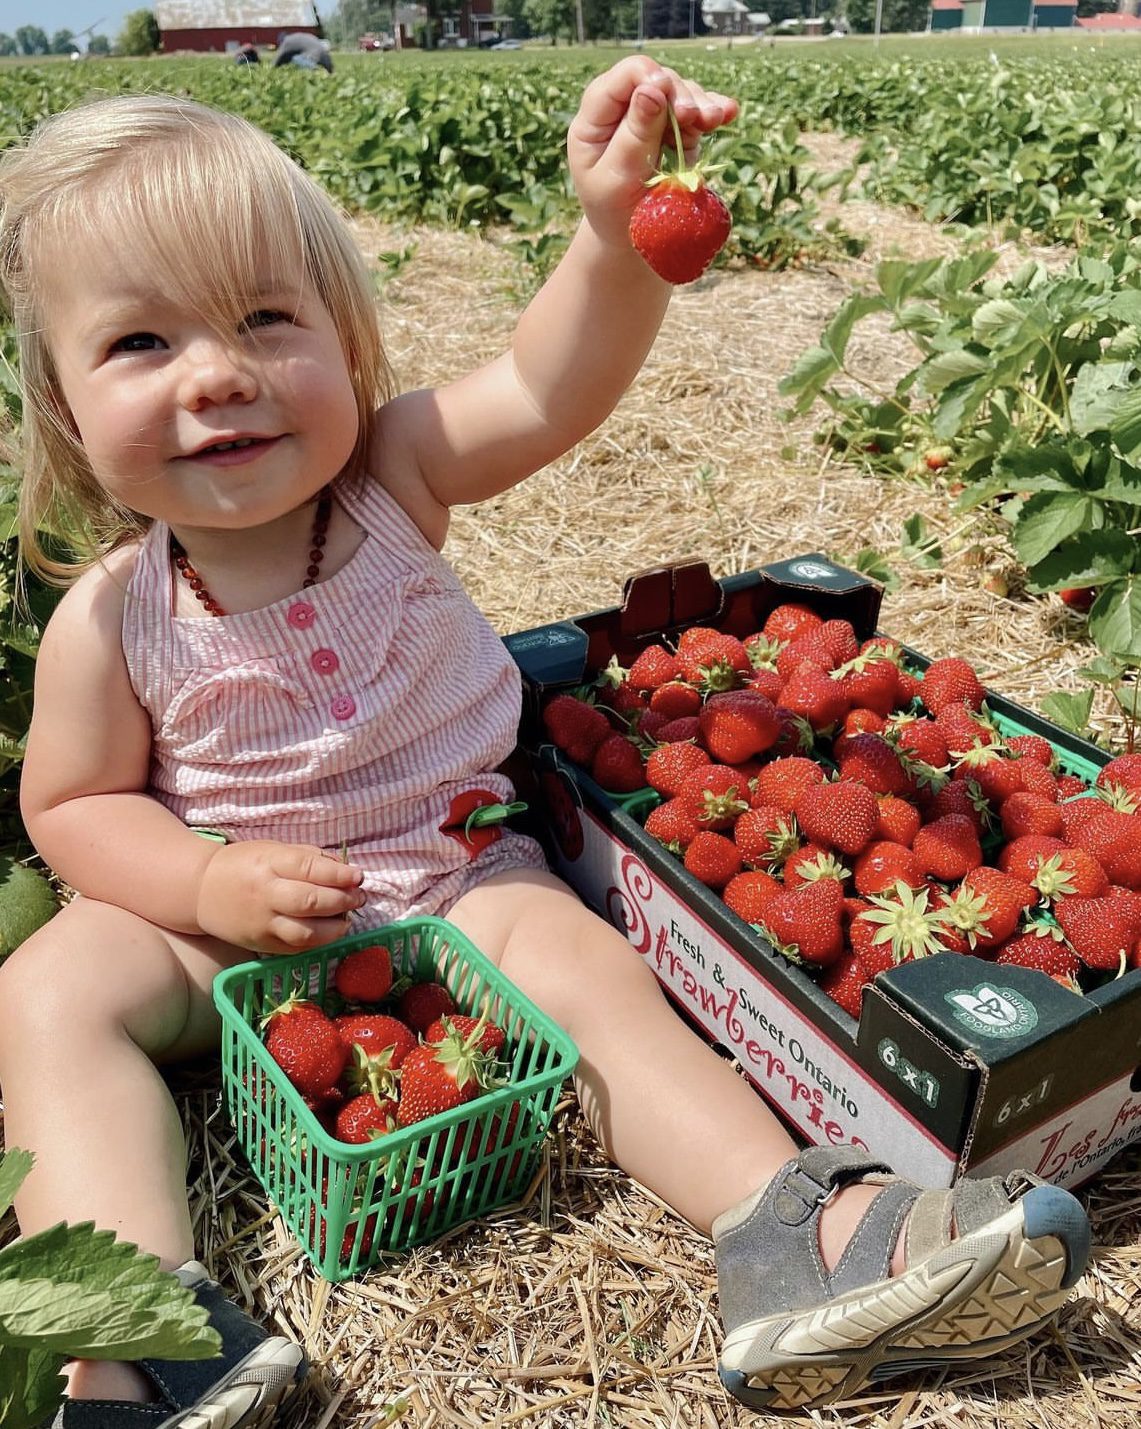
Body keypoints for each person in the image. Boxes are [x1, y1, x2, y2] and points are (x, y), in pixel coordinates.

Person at [0, 58, 1091, 1429]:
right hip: (228, 929)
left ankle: (800, 1236)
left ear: (346, 338)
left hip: (460, 876)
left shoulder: (391, 479)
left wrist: (612, 237)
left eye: (266, 319)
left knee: (596, 983)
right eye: (140, 344)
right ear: (62, 405)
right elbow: (74, 806)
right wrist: (205, 884)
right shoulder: (114, 615)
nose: (218, 374)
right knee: (49, 987)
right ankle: (138, 1344)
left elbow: (544, 383)